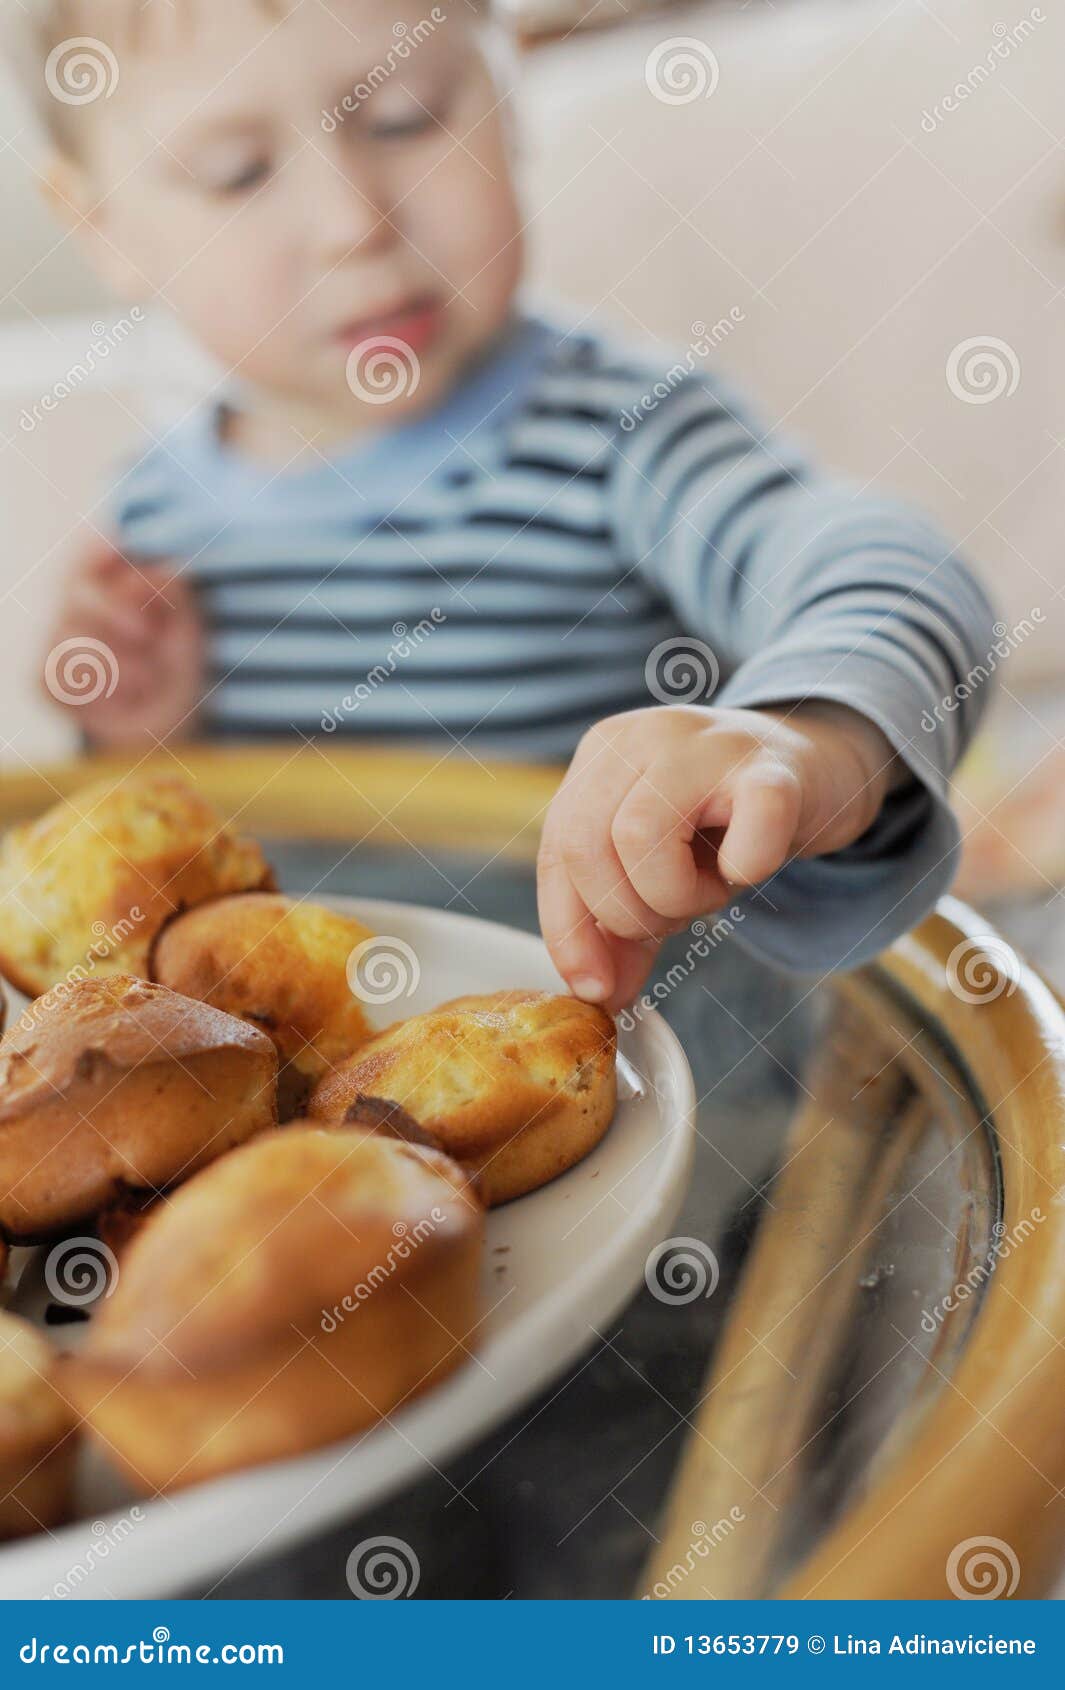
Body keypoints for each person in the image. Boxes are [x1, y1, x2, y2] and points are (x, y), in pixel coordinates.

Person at [13, 0, 995, 1012]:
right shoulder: (149, 517)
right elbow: (188, 898)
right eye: (238, 173)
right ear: (101, 226)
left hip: (664, 1097)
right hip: (324, 1120)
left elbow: (888, 569)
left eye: (404, 115)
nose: (355, 221)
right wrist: (150, 743)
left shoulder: (625, 436)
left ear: (510, 96)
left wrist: (807, 733)